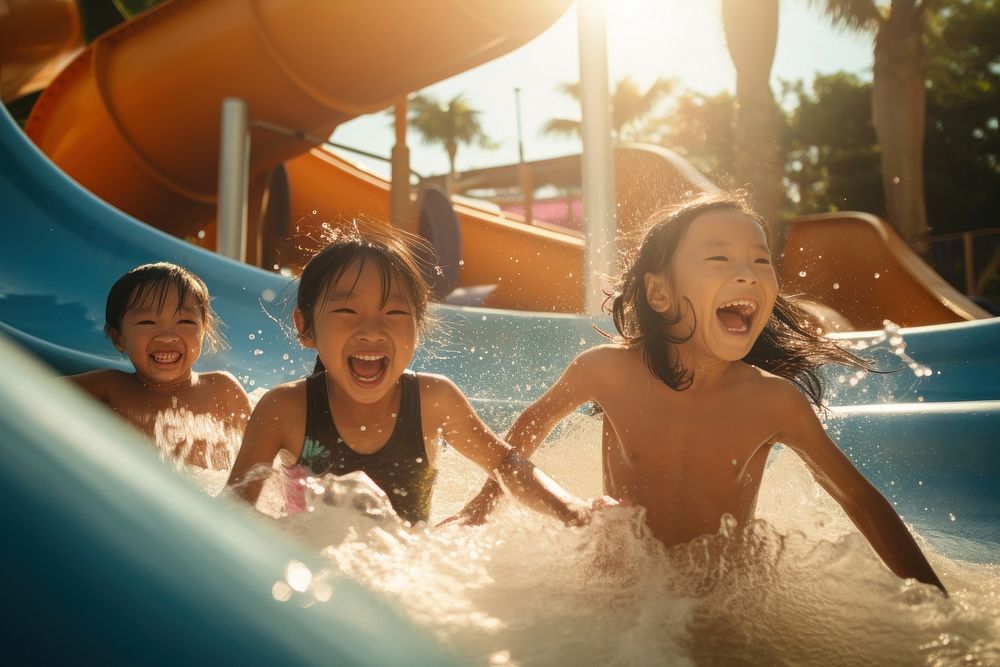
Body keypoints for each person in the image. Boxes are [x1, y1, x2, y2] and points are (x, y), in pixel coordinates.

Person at [451, 194, 946, 594]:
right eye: (719, 257)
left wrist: (935, 603)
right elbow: (528, 429)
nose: (748, 272)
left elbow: (859, 499)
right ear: (659, 293)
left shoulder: (773, 402)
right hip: (624, 580)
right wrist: (482, 506)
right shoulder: (608, 371)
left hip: (721, 591)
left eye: (761, 260)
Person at [226, 222, 611, 526]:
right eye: (347, 312)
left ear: (417, 326)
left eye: (394, 313)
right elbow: (232, 510)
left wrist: (571, 510)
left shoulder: (432, 400)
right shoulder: (285, 409)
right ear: (305, 327)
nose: (373, 330)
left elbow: (507, 464)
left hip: (408, 575)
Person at [70, 262, 251, 470]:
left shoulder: (222, 390)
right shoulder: (110, 388)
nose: (167, 337)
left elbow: (260, 467)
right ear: (118, 337)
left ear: (203, 330)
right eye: (147, 322)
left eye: (185, 322)